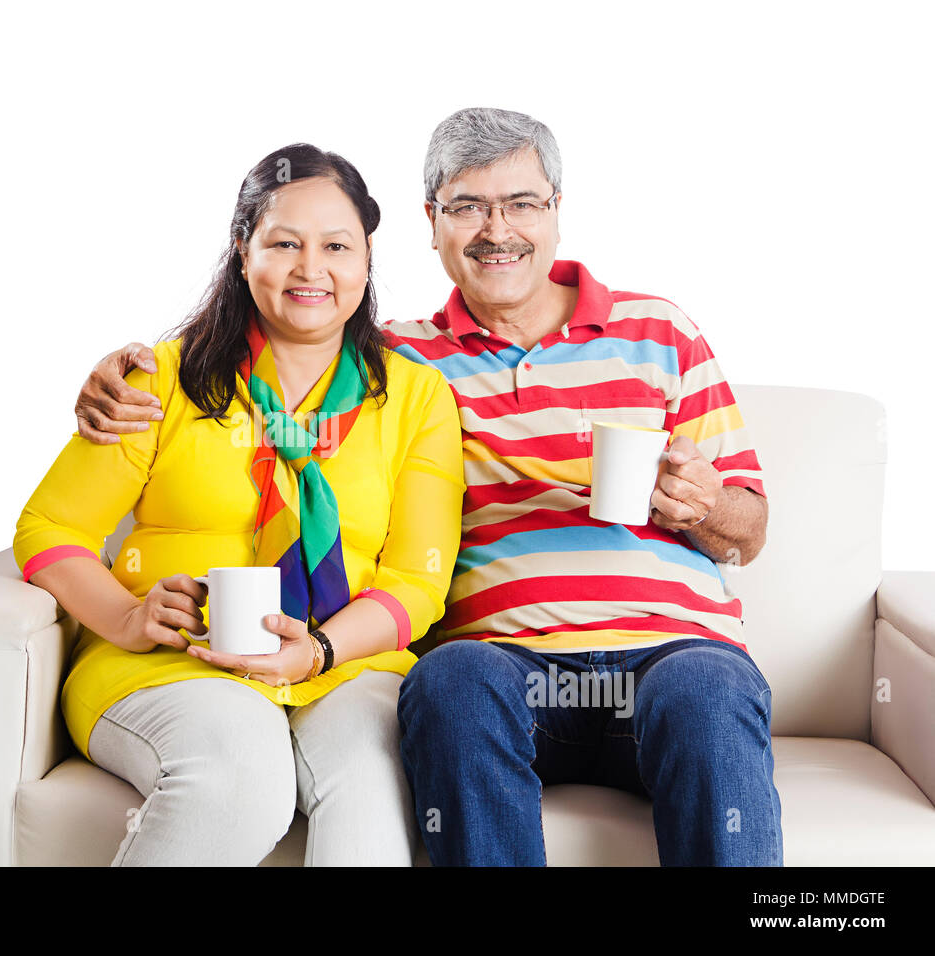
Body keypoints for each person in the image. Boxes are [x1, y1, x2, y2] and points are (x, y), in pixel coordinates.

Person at [73, 108, 783, 867]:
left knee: (710, 690)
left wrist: (707, 504)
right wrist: (119, 374)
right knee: (451, 680)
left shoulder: (660, 332)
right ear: (430, 222)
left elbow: (750, 529)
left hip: (671, 655)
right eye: (467, 206)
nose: (495, 229)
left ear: (557, 213)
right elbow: (268, 345)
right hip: (502, 666)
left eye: (521, 203)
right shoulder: (397, 368)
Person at [14, 143, 465, 866]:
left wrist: (318, 650)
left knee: (377, 786)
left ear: (368, 258)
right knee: (240, 777)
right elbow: (50, 525)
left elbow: (418, 579)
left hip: (346, 665)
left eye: (336, 246)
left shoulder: (417, 399)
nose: (310, 268)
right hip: (174, 662)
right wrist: (126, 617)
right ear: (241, 250)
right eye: (283, 243)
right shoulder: (160, 379)